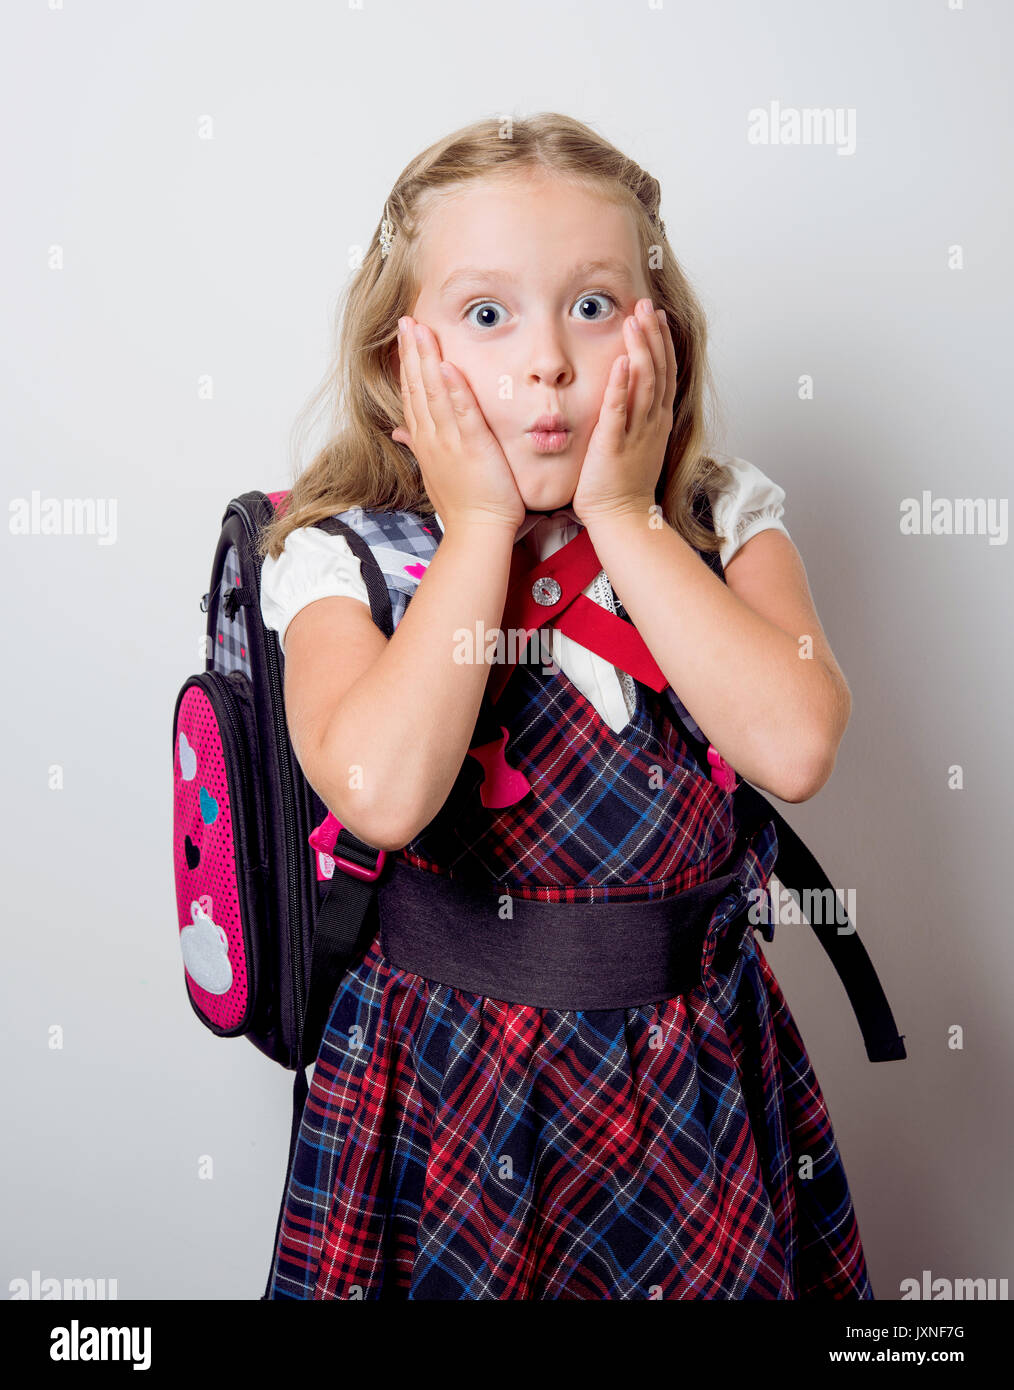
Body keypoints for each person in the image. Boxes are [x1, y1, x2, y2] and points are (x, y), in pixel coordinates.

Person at [254, 112, 871, 1300]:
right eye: (488, 315)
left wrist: (627, 516)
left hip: (692, 1088)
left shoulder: (719, 519)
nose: (548, 361)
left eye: (592, 306)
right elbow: (379, 793)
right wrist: (481, 524)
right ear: (401, 365)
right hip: (437, 1094)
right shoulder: (342, 558)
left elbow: (795, 746)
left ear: (666, 341)